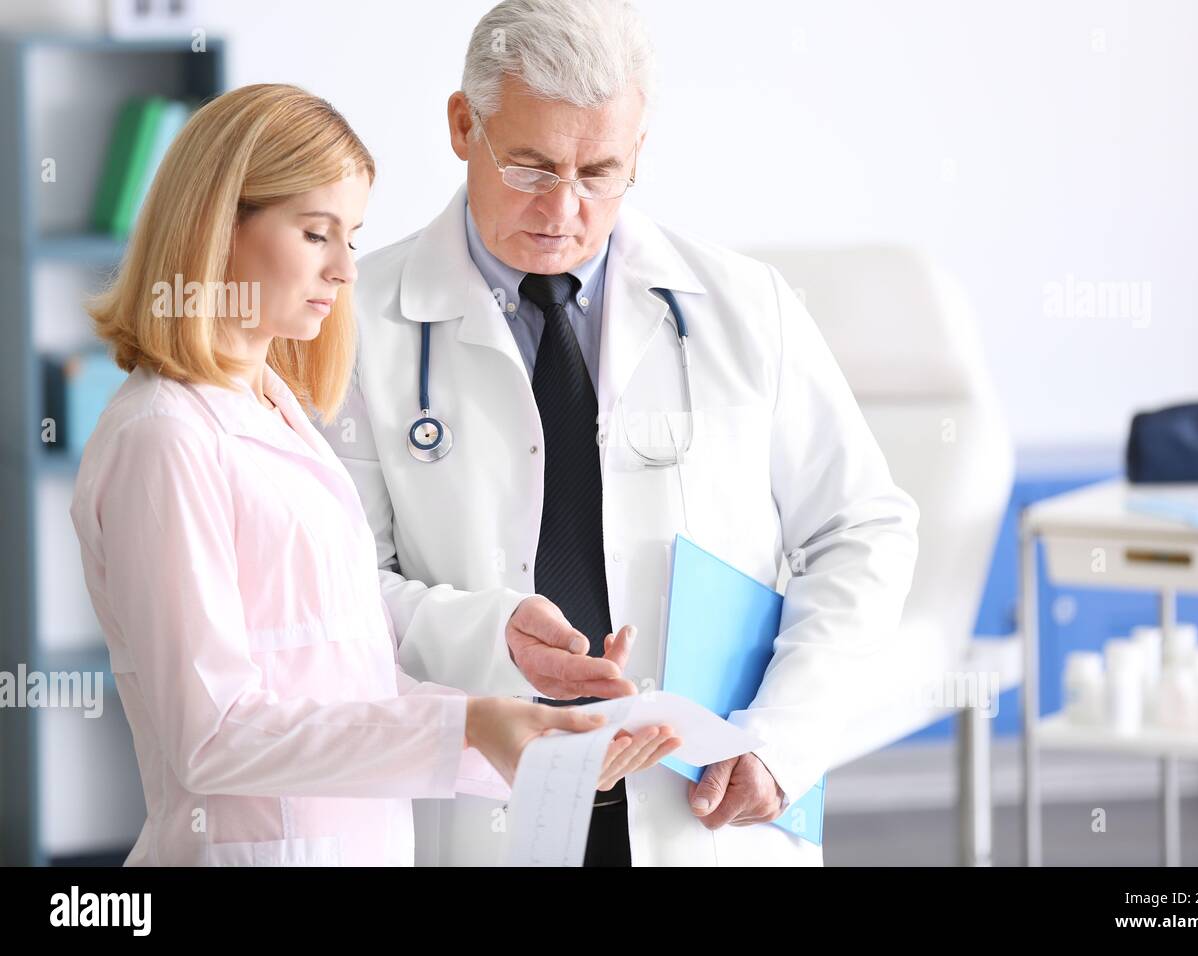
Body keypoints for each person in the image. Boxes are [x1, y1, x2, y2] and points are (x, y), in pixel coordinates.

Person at [325, 0, 920, 867]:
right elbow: (342, 593)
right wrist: (490, 636)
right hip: (481, 805)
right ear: (464, 125)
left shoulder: (746, 308)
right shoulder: (355, 321)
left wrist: (783, 741)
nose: (564, 209)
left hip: (701, 805)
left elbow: (862, 529)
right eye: (529, 165)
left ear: (639, 151)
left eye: (600, 171)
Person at [70, 83, 679, 867]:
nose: (344, 271)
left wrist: (516, 735)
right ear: (217, 229)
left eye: (351, 239)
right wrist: (469, 727)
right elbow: (213, 735)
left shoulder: (274, 413)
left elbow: (343, 671)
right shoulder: (165, 437)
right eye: (316, 233)